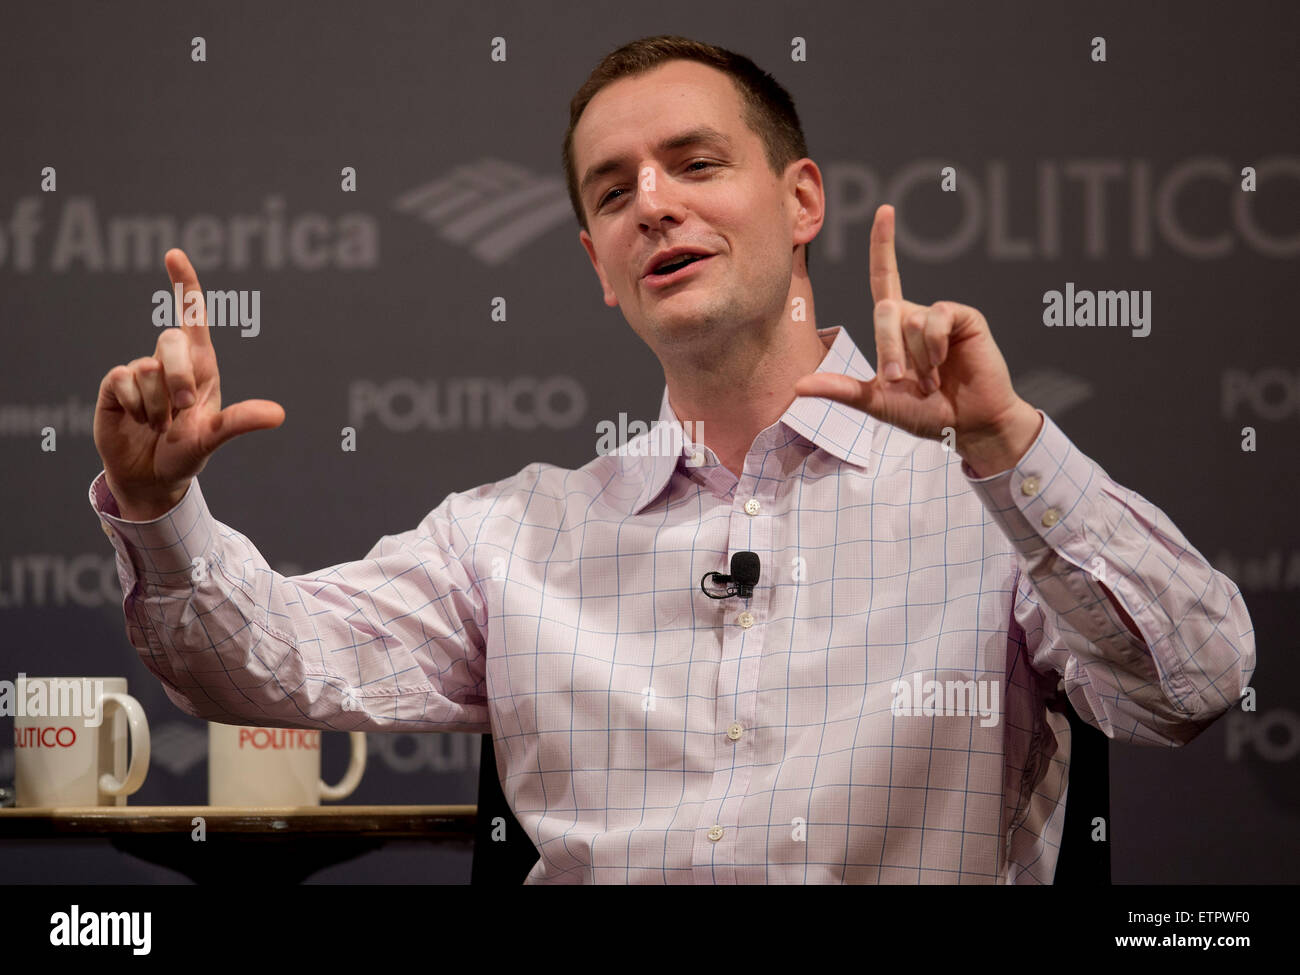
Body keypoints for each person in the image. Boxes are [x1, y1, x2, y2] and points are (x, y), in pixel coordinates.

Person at [89, 35, 1254, 884]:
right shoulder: (511, 536)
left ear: (800, 201)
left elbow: (1194, 684)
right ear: (598, 262)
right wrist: (159, 505)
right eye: (614, 190)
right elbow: (265, 670)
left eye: (694, 164)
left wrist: (1006, 446)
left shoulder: (986, 500)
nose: (652, 203)